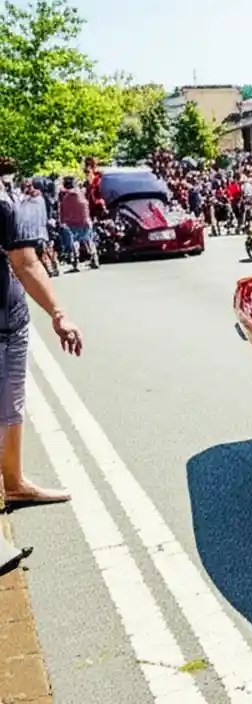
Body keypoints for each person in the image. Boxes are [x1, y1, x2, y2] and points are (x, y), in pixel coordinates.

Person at [0, 158, 83, 505]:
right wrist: (59, 314)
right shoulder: (4, 201)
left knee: (9, 406)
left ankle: (12, 482)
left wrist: (58, 314)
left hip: (8, 319)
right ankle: (11, 485)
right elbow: (24, 262)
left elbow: (25, 261)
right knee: (7, 405)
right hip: (5, 320)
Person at [58, 177, 96, 272]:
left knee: (74, 242)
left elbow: (62, 211)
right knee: (88, 240)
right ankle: (94, 259)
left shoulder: (65, 198)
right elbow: (86, 206)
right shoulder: (81, 194)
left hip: (72, 223)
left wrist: (62, 222)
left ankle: (75, 262)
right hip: (85, 221)